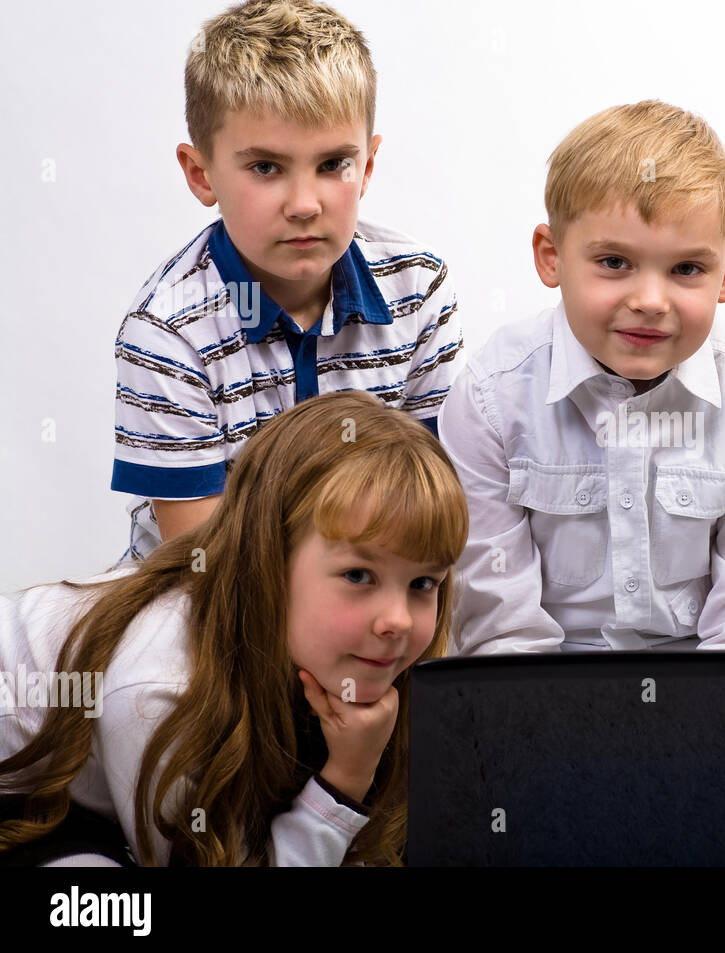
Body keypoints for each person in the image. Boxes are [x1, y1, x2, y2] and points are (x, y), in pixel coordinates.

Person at [1, 391, 468, 866]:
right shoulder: (161, 687)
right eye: (357, 576)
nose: (398, 621)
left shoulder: (315, 652)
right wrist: (344, 782)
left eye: (423, 582)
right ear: (269, 559)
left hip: (78, 807)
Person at [441, 100, 725, 653]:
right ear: (550, 257)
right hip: (536, 703)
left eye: (686, 269)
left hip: (704, 704)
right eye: (614, 263)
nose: (649, 301)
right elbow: (501, 631)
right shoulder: (491, 397)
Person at [110, 0, 464, 561]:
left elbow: (434, 506)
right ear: (202, 174)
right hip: (209, 605)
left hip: (369, 595)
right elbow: (202, 564)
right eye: (266, 168)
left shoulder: (419, 290)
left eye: (332, 165)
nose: (304, 206)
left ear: (367, 167)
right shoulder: (166, 331)